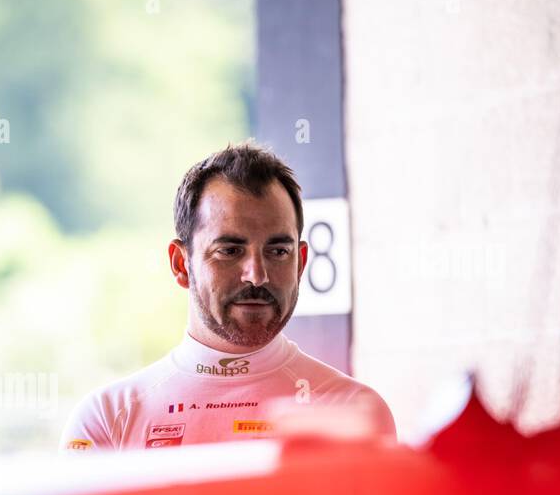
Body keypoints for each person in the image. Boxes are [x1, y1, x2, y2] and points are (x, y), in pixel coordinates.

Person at [61, 142, 395, 451]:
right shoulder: (105, 421)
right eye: (230, 250)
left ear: (301, 263)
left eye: (278, 251)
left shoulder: (354, 412)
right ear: (181, 265)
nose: (257, 275)